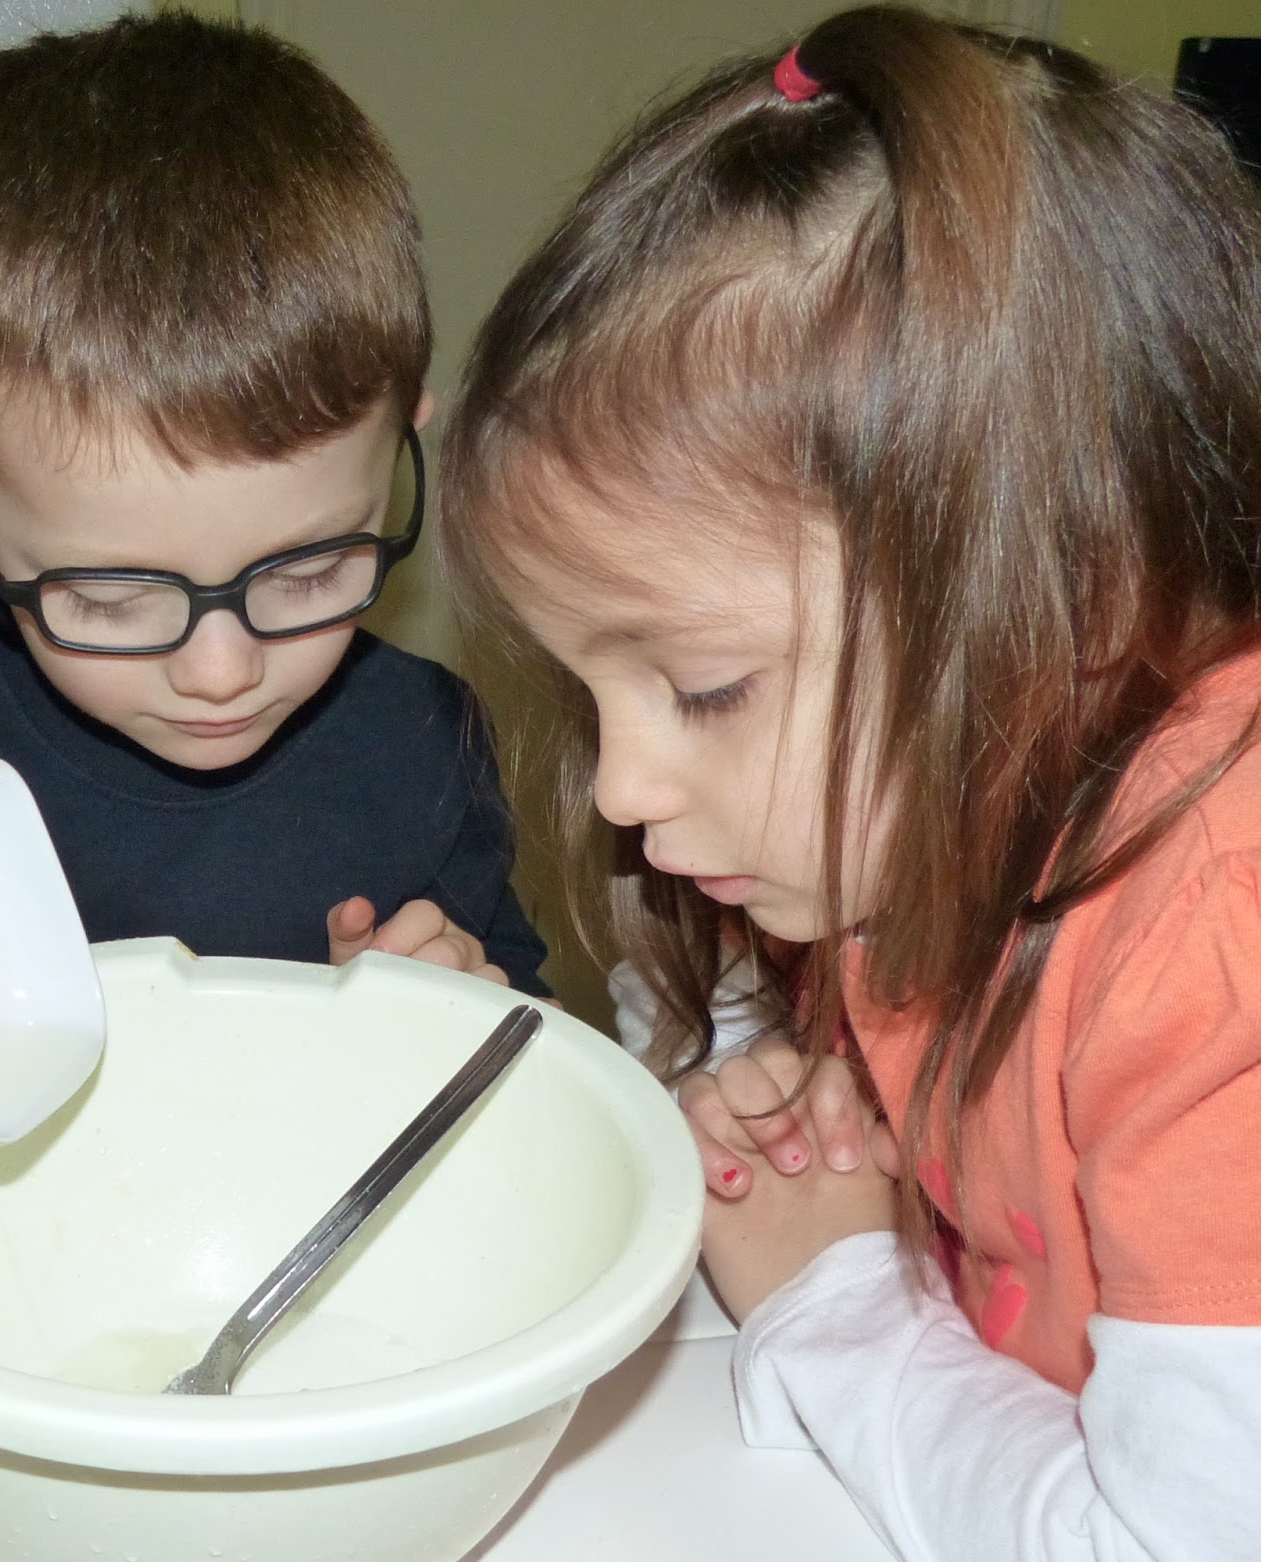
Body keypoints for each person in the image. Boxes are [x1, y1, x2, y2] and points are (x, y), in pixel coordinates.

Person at [437, 7, 1261, 1558]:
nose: (621, 791)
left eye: (704, 687)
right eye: (592, 691)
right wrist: (784, 1093)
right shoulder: (923, 797)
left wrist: (836, 1302)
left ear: (1060, 589)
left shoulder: (1224, 928)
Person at [0, 12, 547, 1177]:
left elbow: (536, 1050)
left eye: (306, 569)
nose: (222, 670)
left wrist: (465, 1015)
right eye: (113, 595)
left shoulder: (423, 742)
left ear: (395, 452)